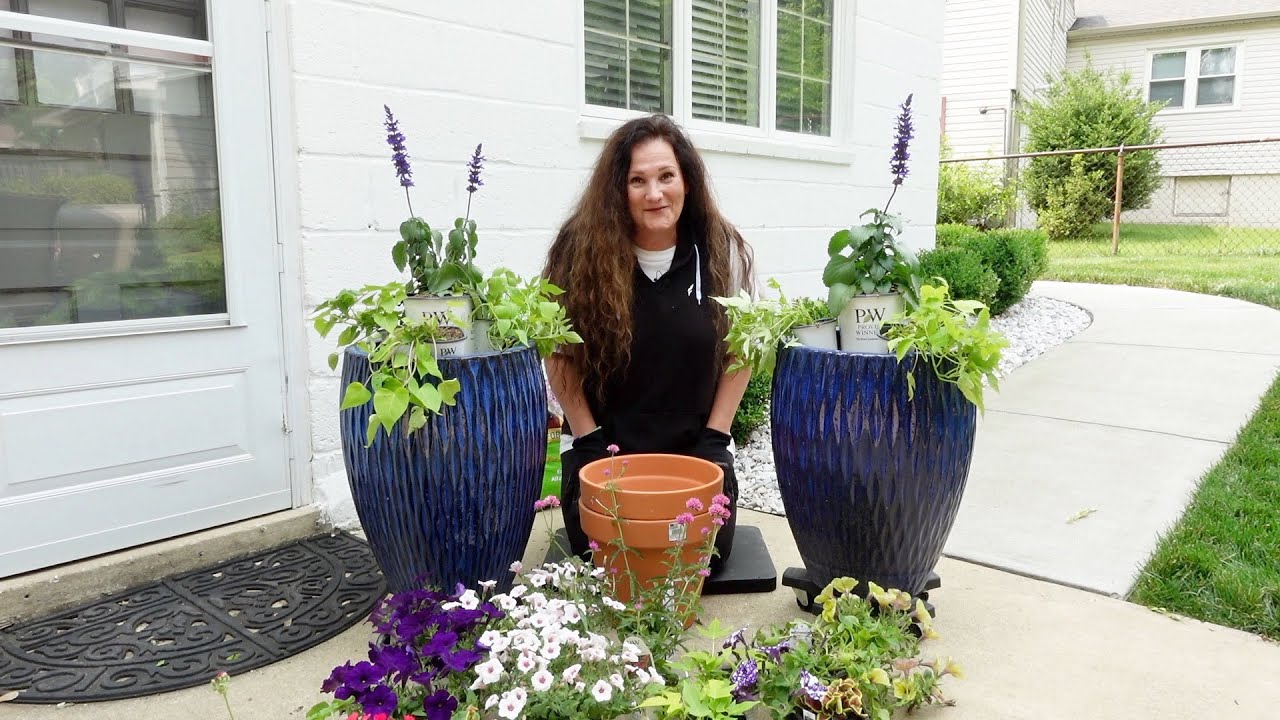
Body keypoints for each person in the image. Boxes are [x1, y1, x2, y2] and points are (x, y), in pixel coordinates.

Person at [542, 114, 756, 570]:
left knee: (703, 561)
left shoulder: (722, 251)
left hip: (695, 453)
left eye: (666, 176)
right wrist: (588, 439)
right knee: (605, 562)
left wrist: (717, 438)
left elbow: (744, 348)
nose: (654, 194)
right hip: (606, 453)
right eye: (637, 180)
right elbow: (557, 351)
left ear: (688, 181)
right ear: (618, 189)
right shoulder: (577, 252)